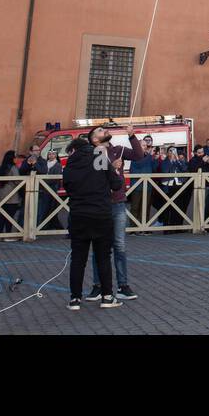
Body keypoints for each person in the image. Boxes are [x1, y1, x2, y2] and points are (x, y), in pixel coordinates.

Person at [83, 124, 144, 302]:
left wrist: (132, 136)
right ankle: (98, 286)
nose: (105, 131)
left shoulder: (118, 149)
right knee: (99, 247)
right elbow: (99, 175)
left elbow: (139, 156)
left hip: (117, 203)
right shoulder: (95, 152)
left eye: (104, 130)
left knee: (120, 246)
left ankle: (123, 285)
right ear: (95, 139)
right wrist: (112, 166)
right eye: (101, 131)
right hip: (101, 205)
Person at [62, 133, 123, 310]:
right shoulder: (99, 158)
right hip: (100, 214)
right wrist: (116, 172)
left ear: (73, 149)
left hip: (79, 215)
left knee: (78, 259)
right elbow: (116, 184)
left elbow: (67, 187)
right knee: (103, 257)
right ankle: (107, 297)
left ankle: (75, 299)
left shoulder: (70, 165)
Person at [0, 150, 21, 237]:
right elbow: (18, 181)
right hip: (12, 195)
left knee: (2, 216)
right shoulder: (13, 168)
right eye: (15, 157)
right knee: (10, 217)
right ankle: (8, 234)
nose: (16, 159)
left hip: (2, 194)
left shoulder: (2, 167)